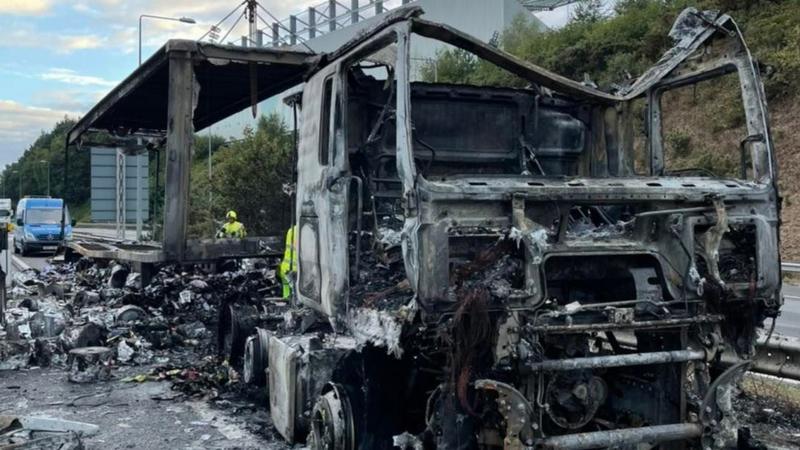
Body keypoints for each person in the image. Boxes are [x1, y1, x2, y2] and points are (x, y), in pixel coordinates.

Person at [279, 225, 297, 299]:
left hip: (285, 267)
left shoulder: (291, 230)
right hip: (294, 269)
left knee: (287, 292)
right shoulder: (304, 231)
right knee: (296, 293)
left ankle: (287, 302)